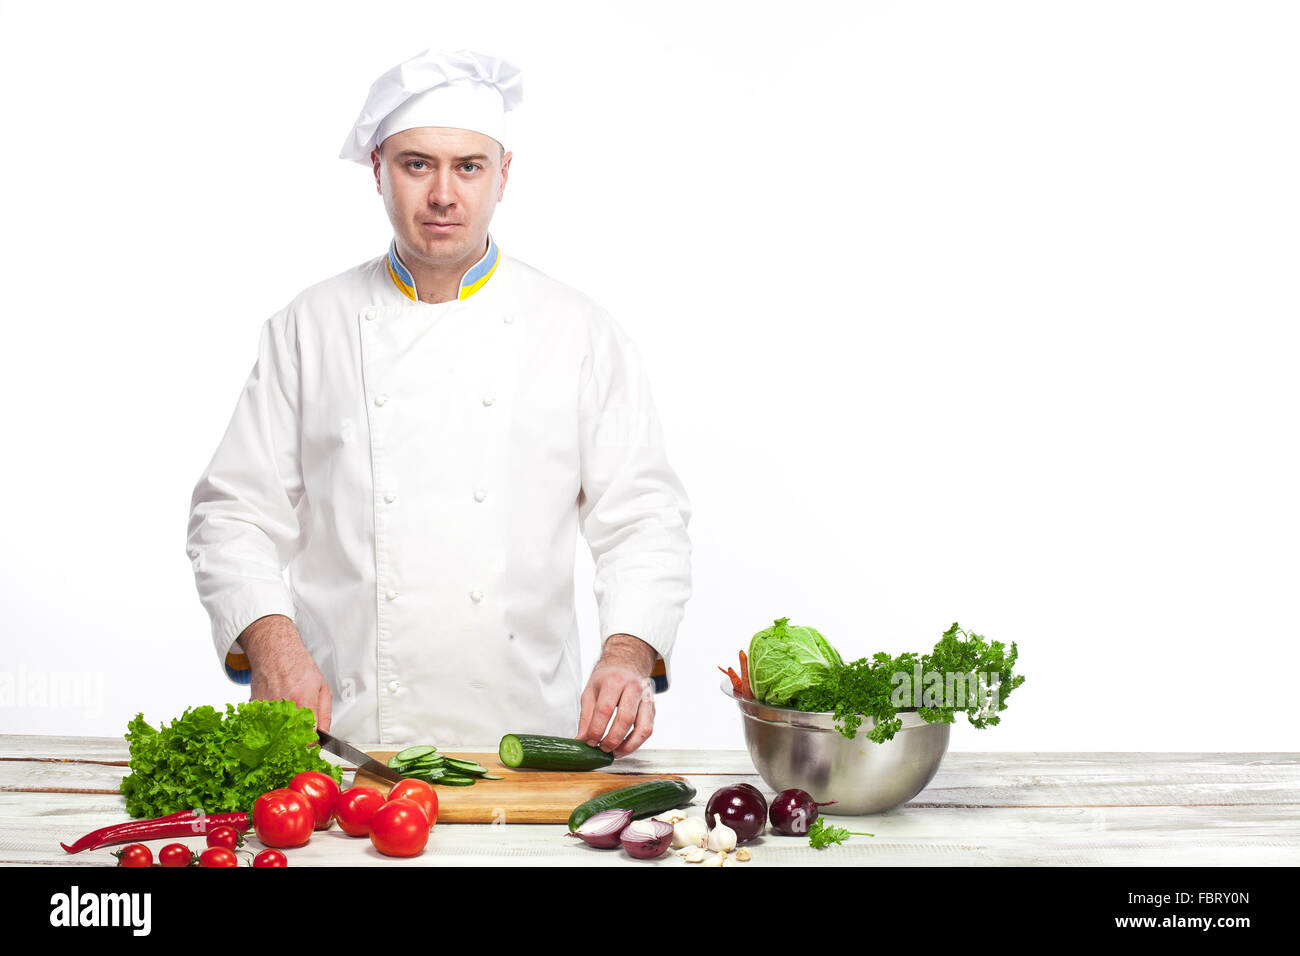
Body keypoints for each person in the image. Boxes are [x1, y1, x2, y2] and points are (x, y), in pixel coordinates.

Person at [186, 49, 692, 756]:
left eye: (469, 166)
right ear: (377, 171)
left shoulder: (578, 331)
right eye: (417, 164)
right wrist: (271, 644)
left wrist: (628, 655)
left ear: (504, 175)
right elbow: (233, 512)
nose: (443, 194)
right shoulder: (310, 327)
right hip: (344, 747)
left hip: (531, 742)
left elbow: (643, 520)